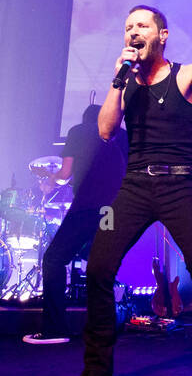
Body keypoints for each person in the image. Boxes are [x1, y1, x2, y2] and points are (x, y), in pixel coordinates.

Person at [68, 3, 192, 376]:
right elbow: (105, 130)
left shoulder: (185, 75)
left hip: (179, 187)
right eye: (127, 27)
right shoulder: (124, 80)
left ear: (162, 34)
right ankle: (97, 372)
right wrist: (118, 80)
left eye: (142, 25)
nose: (133, 31)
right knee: (99, 268)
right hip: (135, 186)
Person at [22, 103, 127, 345]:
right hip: (115, 209)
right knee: (98, 264)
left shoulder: (79, 131)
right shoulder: (121, 135)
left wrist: (50, 181)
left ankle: (55, 329)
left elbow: (65, 173)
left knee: (53, 260)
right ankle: (105, 328)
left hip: (88, 206)